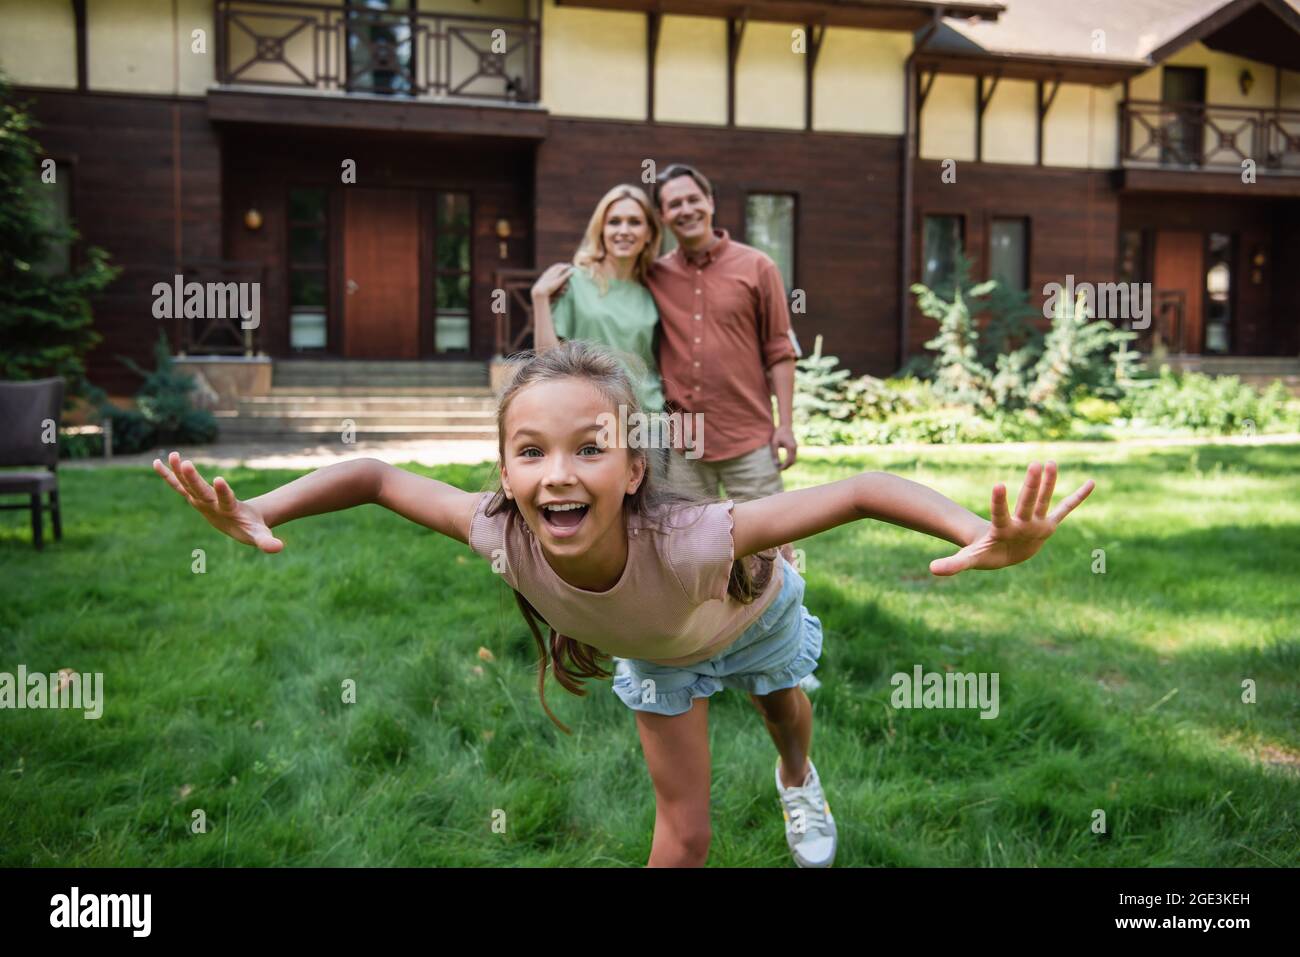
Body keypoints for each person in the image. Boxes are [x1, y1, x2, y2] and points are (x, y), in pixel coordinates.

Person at [152, 340, 1095, 868]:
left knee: (782, 712)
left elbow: (859, 490)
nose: (557, 472)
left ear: (633, 466)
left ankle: (798, 780)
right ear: (506, 470)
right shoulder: (499, 530)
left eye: (588, 447)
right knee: (681, 827)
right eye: (531, 451)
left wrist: (979, 527)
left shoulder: (687, 535)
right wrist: (258, 507)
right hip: (661, 654)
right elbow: (372, 473)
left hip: (751, 613)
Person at [647, 163, 801, 506]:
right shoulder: (655, 275)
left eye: (693, 199)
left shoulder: (759, 267)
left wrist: (786, 425)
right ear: (662, 215)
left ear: (710, 202)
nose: (686, 209)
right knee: (689, 552)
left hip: (749, 441)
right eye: (674, 204)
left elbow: (780, 349)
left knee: (768, 553)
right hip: (686, 445)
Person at [531, 183, 669, 475]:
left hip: (648, 421)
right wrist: (540, 298)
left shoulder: (653, 288)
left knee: (651, 516)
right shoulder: (576, 281)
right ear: (601, 230)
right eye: (614, 221)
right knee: (601, 515)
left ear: (649, 234)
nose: (624, 230)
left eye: (635, 222)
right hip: (589, 419)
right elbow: (547, 357)